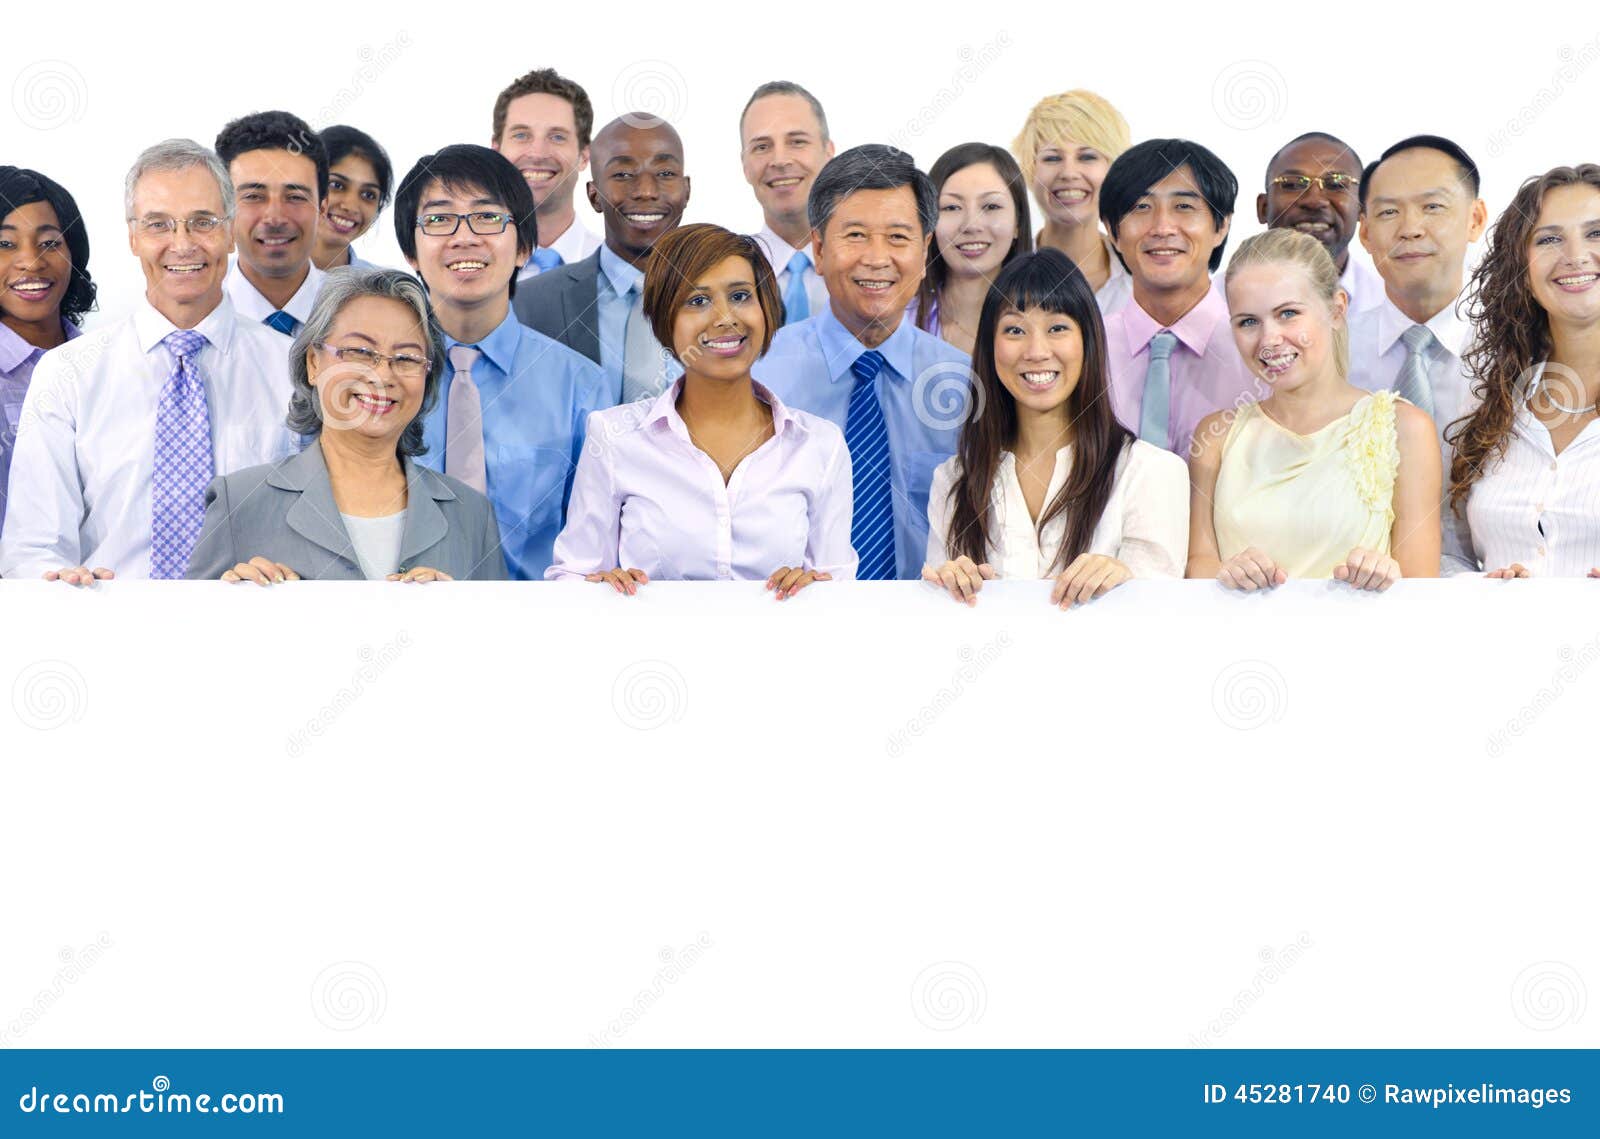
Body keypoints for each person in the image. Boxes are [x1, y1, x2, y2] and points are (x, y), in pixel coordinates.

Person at [0, 139, 297, 583]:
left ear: (231, 231)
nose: (182, 244)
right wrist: (59, 583)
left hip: (254, 627)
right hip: (105, 629)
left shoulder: (294, 368)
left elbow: (322, 529)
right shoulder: (67, 374)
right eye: (159, 225)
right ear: (133, 237)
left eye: (202, 222)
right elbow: (33, 547)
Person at [549, 224, 853, 595]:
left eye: (741, 296)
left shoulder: (820, 444)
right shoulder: (614, 437)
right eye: (697, 301)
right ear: (666, 320)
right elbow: (573, 579)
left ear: (767, 309)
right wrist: (601, 588)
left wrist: (814, 589)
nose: (724, 318)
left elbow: (839, 591)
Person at [187, 268, 505, 582]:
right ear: (313, 363)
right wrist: (232, 604)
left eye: (407, 358)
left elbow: (496, 633)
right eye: (360, 352)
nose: (382, 376)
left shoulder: (473, 514)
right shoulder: (240, 501)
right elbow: (190, 630)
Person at [753, 144, 974, 582]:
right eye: (855, 235)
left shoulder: (968, 385)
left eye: (897, 237)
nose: (877, 258)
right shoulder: (759, 375)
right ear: (818, 248)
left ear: (926, 250)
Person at [922, 250, 1187, 607]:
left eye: (1057, 328)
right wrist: (949, 586)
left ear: (1088, 341)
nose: (1036, 350)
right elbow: (943, 627)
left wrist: (1125, 579)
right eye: (1014, 330)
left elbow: (1160, 619)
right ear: (990, 346)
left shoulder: (1151, 472)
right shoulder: (953, 481)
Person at [395, 144, 608, 580]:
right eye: (438, 219)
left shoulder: (581, 385)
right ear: (410, 253)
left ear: (524, 247)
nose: (464, 237)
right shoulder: (377, 380)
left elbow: (594, 546)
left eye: (488, 216)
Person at [1187, 229, 1440, 590]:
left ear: (1336, 310)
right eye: (1248, 322)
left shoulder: (1405, 428)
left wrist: (1383, 575)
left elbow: (1422, 590)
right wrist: (1227, 574)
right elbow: (1199, 565)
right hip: (1241, 644)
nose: (1269, 339)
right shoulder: (1216, 436)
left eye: (1287, 313)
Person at [1447, 164, 1600, 578]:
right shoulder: (1488, 389)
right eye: (1549, 238)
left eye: (1596, 233)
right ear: (1522, 268)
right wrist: (1481, 586)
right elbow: (1448, 550)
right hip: (1502, 639)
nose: (1575, 256)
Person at [1347, 135, 1489, 570]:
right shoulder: (1331, 350)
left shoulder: (1520, 348)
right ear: (1366, 232)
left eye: (1433, 207)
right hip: (1351, 584)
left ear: (1475, 219)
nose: (1410, 228)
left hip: (1496, 584)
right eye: (1389, 212)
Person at [1098, 138, 1264, 459]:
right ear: (1111, 230)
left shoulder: (1261, 350)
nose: (1162, 227)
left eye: (1184, 207)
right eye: (1140, 207)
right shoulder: (1085, 348)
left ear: (1222, 224)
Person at [514, 114, 690, 403]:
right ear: (594, 196)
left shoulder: (729, 299)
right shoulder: (530, 303)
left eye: (665, 173)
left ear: (686, 191)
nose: (646, 191)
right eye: (623, 175)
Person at [0, 166, 96, 532]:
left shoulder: (114, 362)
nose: (32, 262)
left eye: (50, 243)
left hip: (112, 582)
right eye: (5, 244)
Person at [1013, 90, 1132, 314]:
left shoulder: (1141, 276)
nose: (1068, 173)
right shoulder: (1002, 273)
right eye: (1052, 158)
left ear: (1114, 169)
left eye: (1087, 157)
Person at [912, 143, 1033, 355]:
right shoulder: (897, 321)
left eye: (991, 206)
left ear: (1017, 222)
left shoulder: (1052, 321)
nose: (971, 225)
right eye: (951, 207)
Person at [215, 110, 328, 337]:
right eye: (253, 196)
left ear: (322, 209)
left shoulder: (357, 311)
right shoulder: (194, 318)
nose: (275, 218)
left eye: (295, 197)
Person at [491, 67, 603, 280]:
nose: (538, 153)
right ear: (496, 152)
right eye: (521, 135)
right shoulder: (460, 271)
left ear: (584, 156)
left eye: (558, 137)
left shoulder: (618, 270)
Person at [740, 81, 835, 326]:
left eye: (797, 142)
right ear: (745, 166)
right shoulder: (721, 275)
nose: (780, 160)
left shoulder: (872, 267)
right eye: (762, 147)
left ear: (828, 152)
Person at [1256, 132, 1382, 315]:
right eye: (1292, 184)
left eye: (1337, 184)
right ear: (1263, 208)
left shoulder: (1394, 305)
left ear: (1362, 209)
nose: (1314, 201)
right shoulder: (1219, 300)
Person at [311, 125, 393, 270]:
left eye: (368, 194)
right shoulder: (260, 276)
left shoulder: (386, 290)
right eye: (336, 185)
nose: (351, 206)